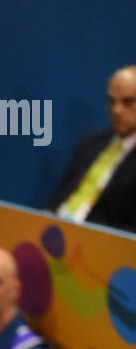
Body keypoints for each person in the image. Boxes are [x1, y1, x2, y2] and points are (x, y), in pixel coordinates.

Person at [47, 66, 136, 234]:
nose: (117, 110)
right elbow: (60, 196)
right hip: (56, 231)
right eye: (112, 101)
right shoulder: (91, 142)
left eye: (128, 102)